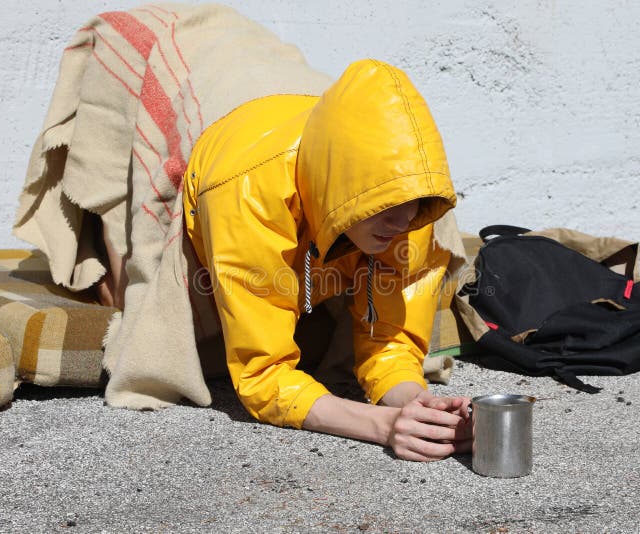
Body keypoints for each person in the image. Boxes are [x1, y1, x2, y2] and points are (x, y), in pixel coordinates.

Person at [177, 58, 472, 462]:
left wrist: (417, 405)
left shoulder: (412, 200)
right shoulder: (246, 194)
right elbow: (262, 376)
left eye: (414, 203)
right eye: (386, 204)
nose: (404, 220)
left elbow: (391, 342)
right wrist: (382, 426)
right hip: (238, 152)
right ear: (346, 185)